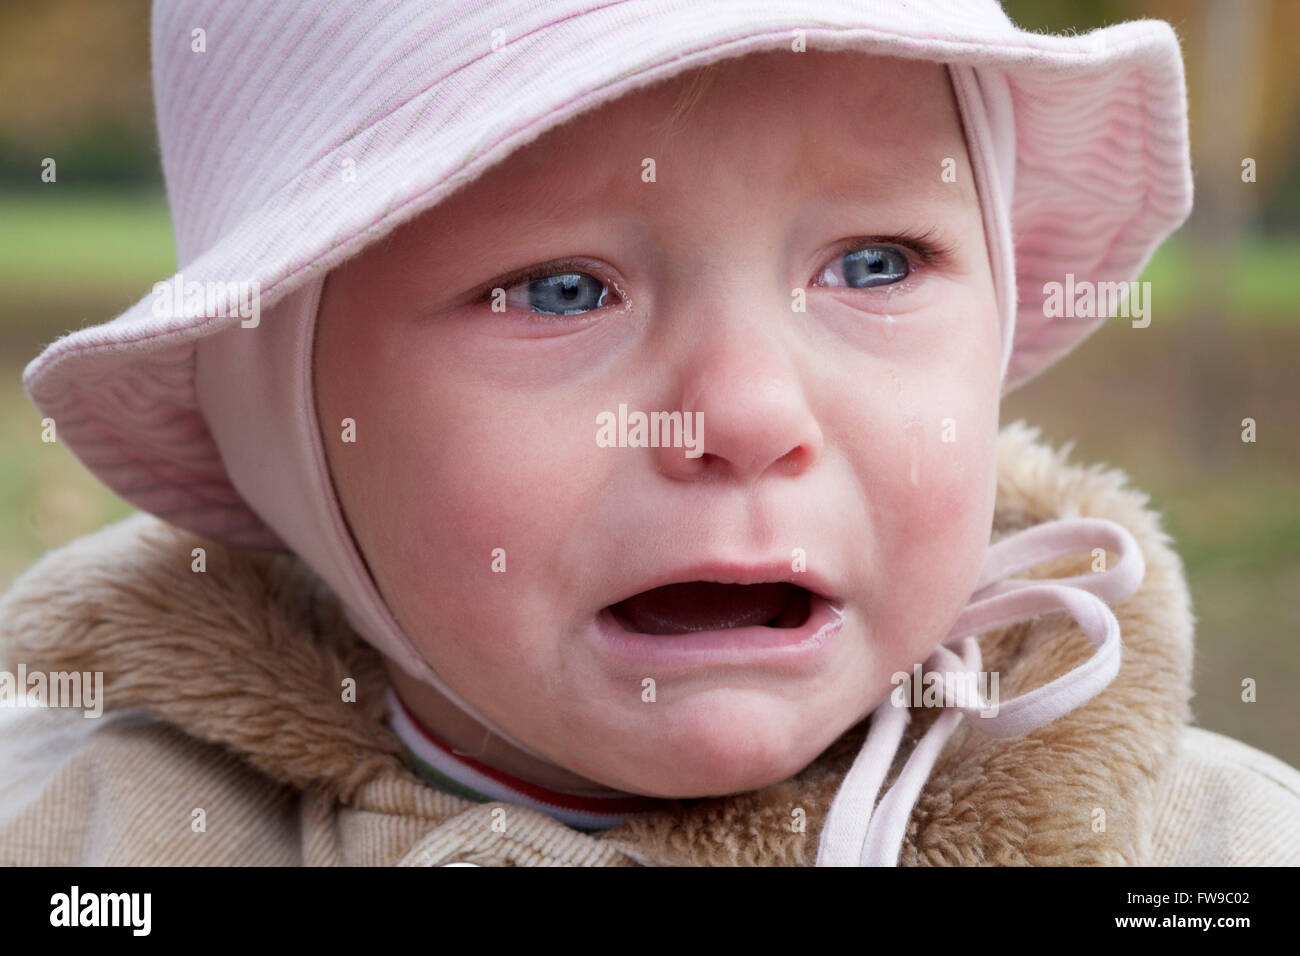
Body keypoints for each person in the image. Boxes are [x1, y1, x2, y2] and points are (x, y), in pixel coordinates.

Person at [4, 0, 1298, 866]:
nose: (743, 417)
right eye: (560, 291)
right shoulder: (88, 836)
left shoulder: (1207, 847)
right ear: (291, 428)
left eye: (875, 264)